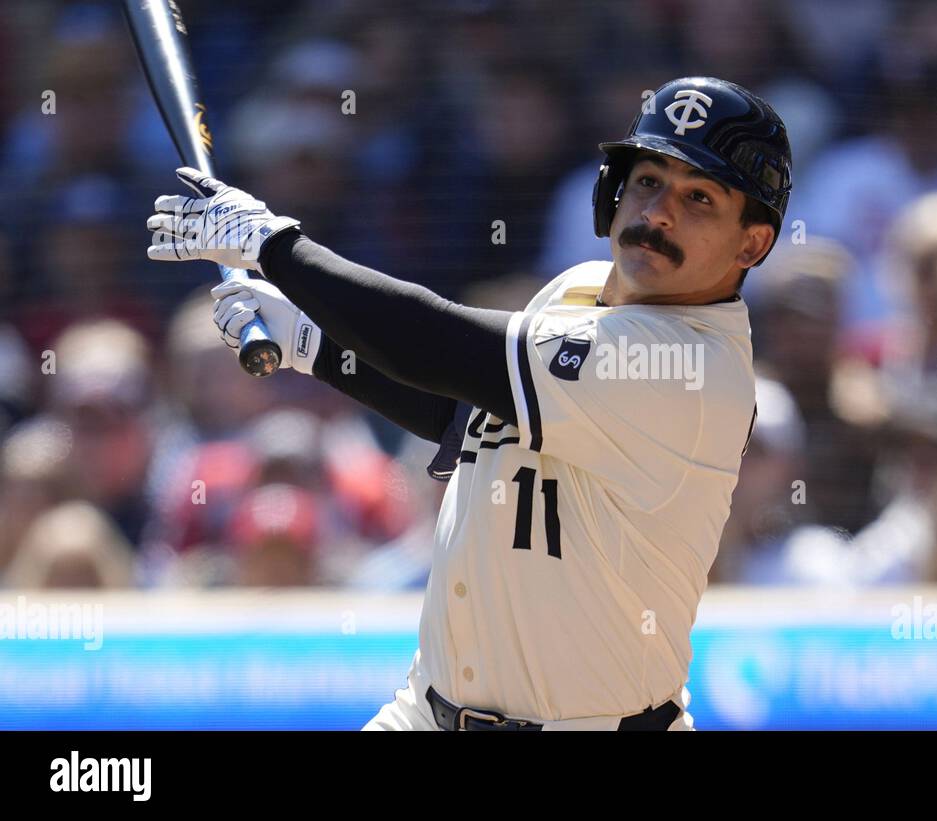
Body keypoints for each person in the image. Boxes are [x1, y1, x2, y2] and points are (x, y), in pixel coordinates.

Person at [141, 77, 791, 731]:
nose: (658, 214)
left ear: (751, 242)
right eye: (649, 181)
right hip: (427, 710)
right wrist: (312, 343)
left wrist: (274, 247)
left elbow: (442, 345)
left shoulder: (688, 367)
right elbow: (462, 411)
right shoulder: (581, 291)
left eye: (699, 197)